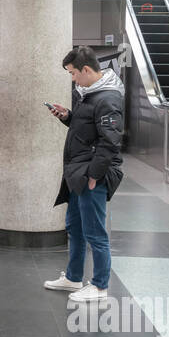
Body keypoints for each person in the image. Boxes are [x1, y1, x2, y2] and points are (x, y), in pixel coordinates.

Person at [44, 47, 125, 304]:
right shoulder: (88, 95)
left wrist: (94, 175)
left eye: (73, 73)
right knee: (75, 227)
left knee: (95, 232)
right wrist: (67, 116)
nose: (73, 79)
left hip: (91, 174)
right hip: (78, 172)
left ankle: (100, 285)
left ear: (87, 70)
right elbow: (86, 128)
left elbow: (110, 142)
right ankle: (73, 276)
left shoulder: (108, 99)